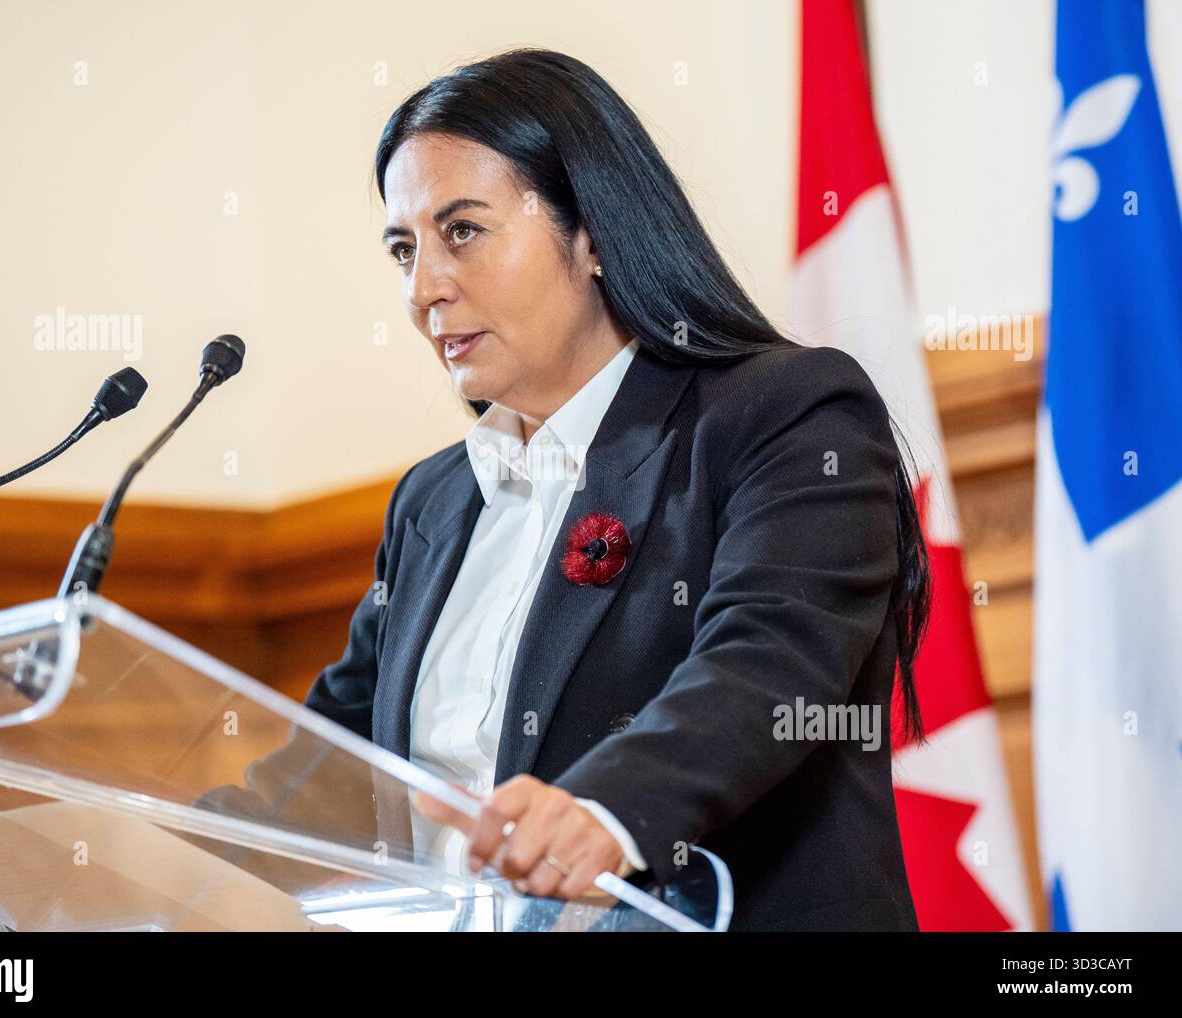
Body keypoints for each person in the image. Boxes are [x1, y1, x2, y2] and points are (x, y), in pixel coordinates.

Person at [305, 47, 930, 931]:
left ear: (591, 233)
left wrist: (605, 811)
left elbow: (766, 667)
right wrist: (127, 838)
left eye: (464, 232)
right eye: (403, 249)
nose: (424, 289)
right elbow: (326, 760)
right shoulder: (431, 503)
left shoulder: (783, 415)